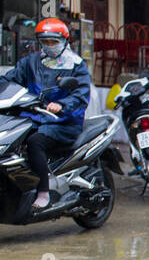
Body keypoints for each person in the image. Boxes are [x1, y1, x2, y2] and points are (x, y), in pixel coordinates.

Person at [2, 18, 91, 210]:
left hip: (63, 122)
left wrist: (61, 105)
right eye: (45, 42)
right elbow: (9, 80)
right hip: (33, 118)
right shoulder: (31, 62)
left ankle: (44, 192)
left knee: (34, 143)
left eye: (53, 42)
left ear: (65, 41)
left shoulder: (76, 65)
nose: (49, 46)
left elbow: (81, 95)